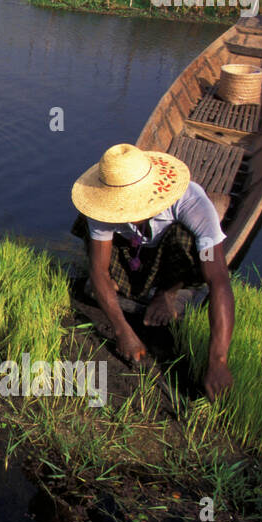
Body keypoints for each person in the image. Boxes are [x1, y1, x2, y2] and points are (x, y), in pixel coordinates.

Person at [70, 143, 235, 400]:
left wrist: (218, 360)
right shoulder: (102, 203)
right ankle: (123, 287)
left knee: (185, 240)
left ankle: (169, 292)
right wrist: (122, 330)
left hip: (172, 259)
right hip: (132, 251)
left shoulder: (192, 202)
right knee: (92, 252)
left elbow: (218, 281)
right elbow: (99, 270)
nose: (126, 211)